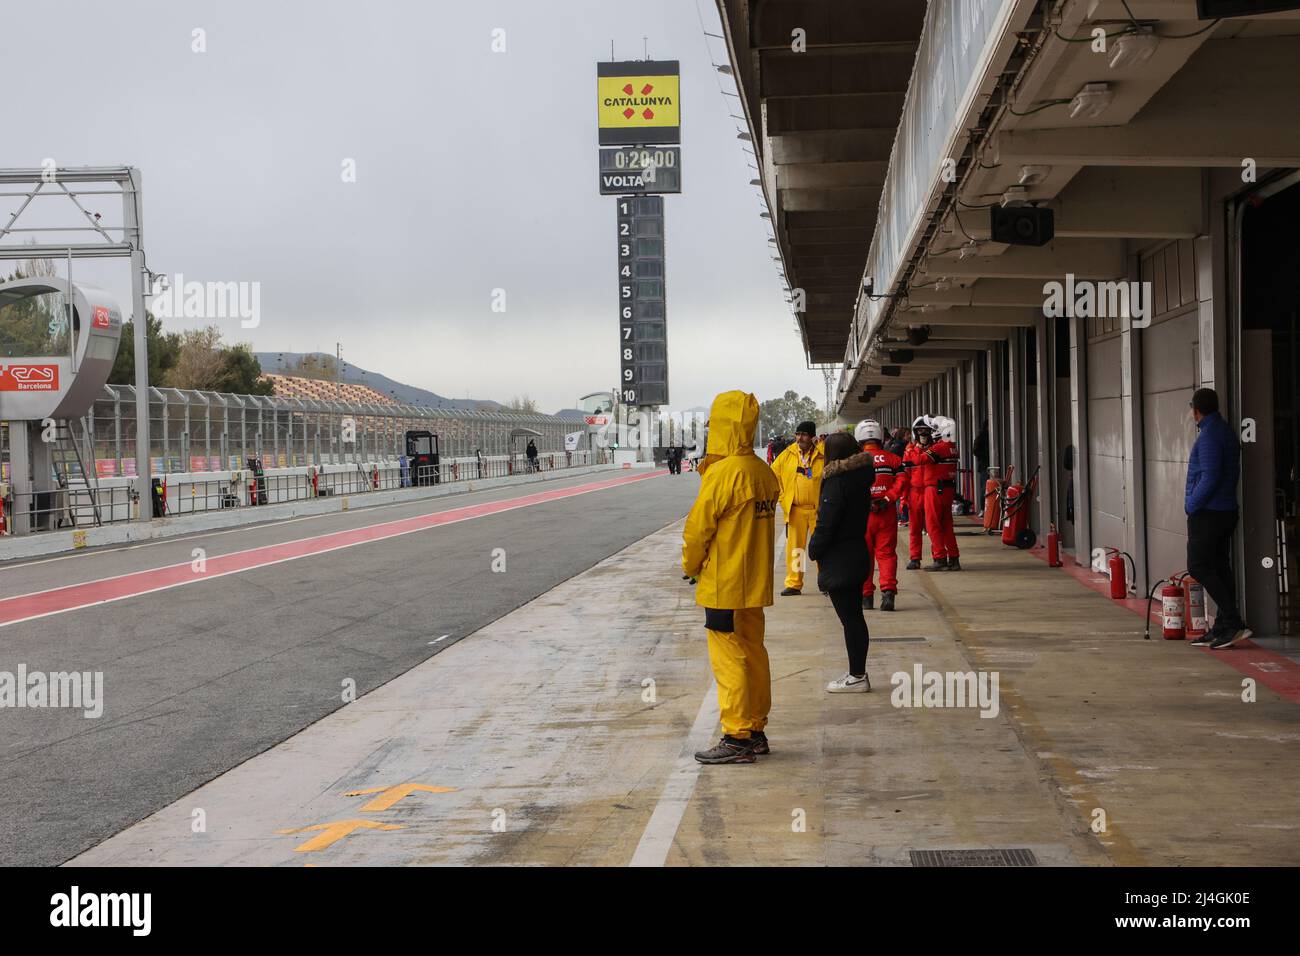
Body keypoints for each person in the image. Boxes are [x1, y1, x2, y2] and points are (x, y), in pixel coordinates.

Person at [682, 391, 781, 763]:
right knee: (754, 653)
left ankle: (736, 736)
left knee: (728, 658)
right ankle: (755, 729)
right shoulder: (763, 472)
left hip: (724, 584)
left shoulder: (722, 474)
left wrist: (690, 566)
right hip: (755, 584)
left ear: (722, 427)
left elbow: (697, 531)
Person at [808, 432, 875, 692]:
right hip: (857, 550)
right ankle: (858, 673)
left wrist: (814, 549)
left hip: (840, 558)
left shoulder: (837, 482)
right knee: (855, 617)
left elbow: (827, 522)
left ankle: (857, 676)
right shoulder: (860, 477)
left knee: (851, 620)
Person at [1184, 388, 1249, 649]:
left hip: (1209, 512)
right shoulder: (1223, 431)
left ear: (1196, 410)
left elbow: (1210, 477)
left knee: (1197, 565)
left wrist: (1191, 504)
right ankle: (1223, 626)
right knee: (1220, 567)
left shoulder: (1210, 436)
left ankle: (1232, 621)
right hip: (1224, 511)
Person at [855, 419, 907, 611]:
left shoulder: (856, 461)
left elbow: (851, 489)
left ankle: (866, 597)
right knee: (886, 554)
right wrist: (887, 498)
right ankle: (888, 593)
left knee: (864, 556)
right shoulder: (893, 459)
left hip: (863, 515)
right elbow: (902, 483)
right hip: (886, 513)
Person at [771, 420, 824, 596]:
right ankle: (794, 583)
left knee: (822, 548)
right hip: (796, 510)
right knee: (797, 550)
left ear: (812, 437)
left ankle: (825, 581)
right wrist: (782, 498)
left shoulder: (822, 455)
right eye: (798, 434)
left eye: (804, 434)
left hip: (818, 511)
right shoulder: (787, 454)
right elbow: (773, 475)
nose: (800, 438)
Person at [919, 415, 962, 571]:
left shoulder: (938, 448)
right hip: (948, 489)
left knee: (933, 525)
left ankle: (940, 558)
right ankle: (954, 557)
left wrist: (919, 447)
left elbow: (920, 460)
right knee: (947, 525)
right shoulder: (952, 447)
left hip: (935, 489)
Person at [903, 416, 930, 570]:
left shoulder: (935, 449)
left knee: (934, 527)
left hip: (931, 491)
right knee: (914, 528)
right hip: (915, 492)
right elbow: (905, 474)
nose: (923, 433)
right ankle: (915, 558)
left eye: (925, 430)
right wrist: (904, 496)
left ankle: (939, 556)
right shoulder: (909, 450)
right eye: (920, 430)